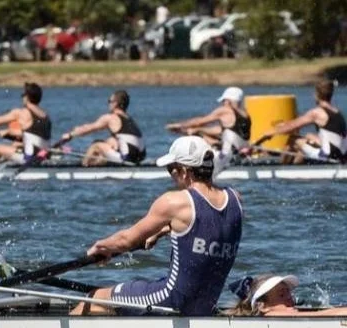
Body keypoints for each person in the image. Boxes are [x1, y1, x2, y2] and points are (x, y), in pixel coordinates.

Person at [70, 136, 243, 316]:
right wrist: (163, 231)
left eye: (171, 169)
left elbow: (125, 240)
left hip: (170, 300)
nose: (171, 176)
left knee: (94, 298)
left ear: (184, 171)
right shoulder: (235, 200)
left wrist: (101, 246)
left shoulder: (173, 202)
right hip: (204, 306)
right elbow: (208, 229)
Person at [260, 80, 346, 163]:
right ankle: (298, 166)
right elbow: (293, 124)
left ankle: (282, 168)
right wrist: (285, 125)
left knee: (293, 139)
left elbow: (292, 127)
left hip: (329, 156)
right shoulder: (337, 112)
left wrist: (272, 132)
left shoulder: (316, 113)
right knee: (309, 135)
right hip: (342, 155)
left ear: (316, 95)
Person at [0, 82, 52, 167]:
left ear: (27, 97)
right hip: (45, 156)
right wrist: (10, 133)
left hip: (30, 158)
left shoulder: (21, 113)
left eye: (23, 95)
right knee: (15, 145)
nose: (22, 97)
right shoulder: (45, 115)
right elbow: (35, 136)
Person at [166, 87, 252, 168]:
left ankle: (192, 161)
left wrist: (179, 125)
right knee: (198, 132)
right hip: (240, 151)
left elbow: (200, 121)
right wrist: (199, 130)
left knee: (196, 135)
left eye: (223, 101)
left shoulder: (225, 110)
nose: (223, 103)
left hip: (227, 154)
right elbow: (220, 131)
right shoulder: (245, 113)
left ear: (228, 100)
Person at [59, 90, 146, 166]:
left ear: (115, 103)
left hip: (128, 158)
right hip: (140, 157)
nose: (108, 104)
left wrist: (70, 134)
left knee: (96, 145)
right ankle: (98, 163)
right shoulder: (129, 118)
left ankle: (84, 166)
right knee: (108, 141)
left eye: (109, 101)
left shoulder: (110, 118)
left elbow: (89, 128)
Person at [224, 274, 347, 317]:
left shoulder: (276, 311)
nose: (290, 297)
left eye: (288, 292)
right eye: (282, 295)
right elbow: (317, 316)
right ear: (262, 306)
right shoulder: (272, 314)